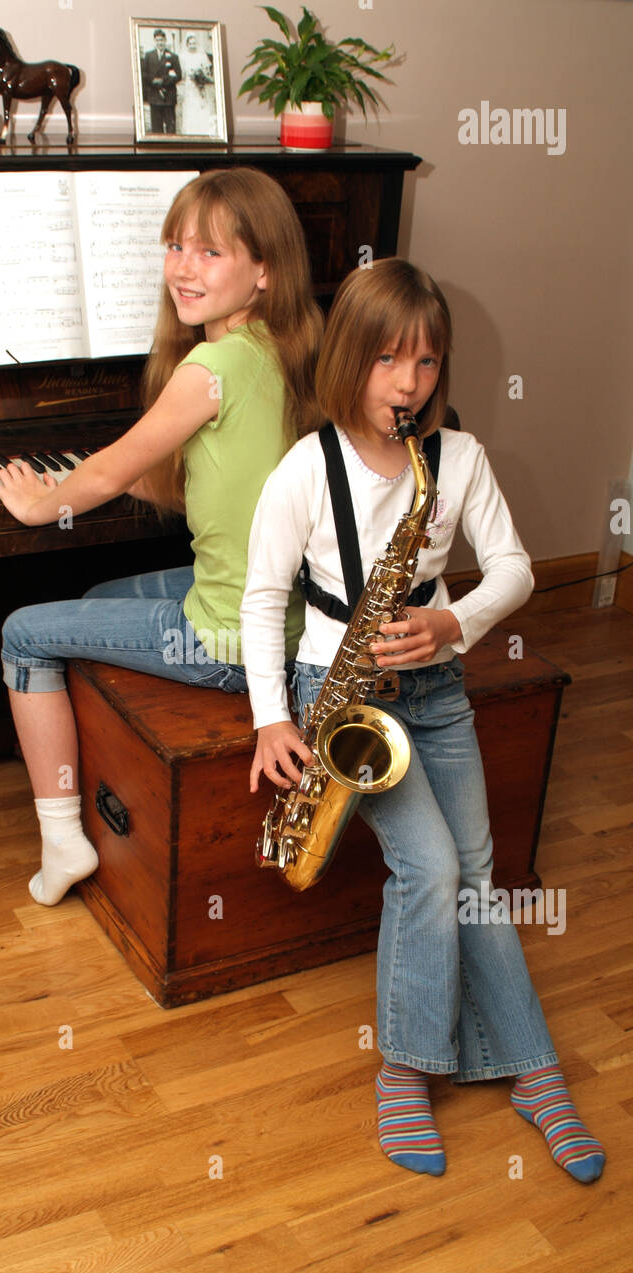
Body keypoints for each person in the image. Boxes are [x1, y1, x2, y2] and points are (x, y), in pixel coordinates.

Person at [240, 257, 605, 1185]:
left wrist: (455, 622)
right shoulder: (303, 469)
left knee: (478, 871)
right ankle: (405, 1068)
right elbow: (261, 599)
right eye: (387, 361)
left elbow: (517, 567)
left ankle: (531, 1068)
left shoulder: (460, 457)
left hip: (435, 692)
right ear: (348, 359)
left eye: (428, 364)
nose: (407, 385)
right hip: (343, 693)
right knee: (433, 866)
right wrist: (269, 721)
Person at [0, 167, 323, 908]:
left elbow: (112, 474)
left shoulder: (208, 367)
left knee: (24, 633)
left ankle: (63, 839)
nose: (183, 266)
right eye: (176, 245)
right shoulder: (281, 346)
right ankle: (106, 782)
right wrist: (88, 471)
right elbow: (188, 478)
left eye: (209, 252)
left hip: (227, 643)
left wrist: (43, 504)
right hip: (283, 622)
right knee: (100, 599)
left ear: (263, 270)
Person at [140, 29, 182, 135]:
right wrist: (154, 82)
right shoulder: (149, 56)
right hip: (154, 96)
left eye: (162, 40)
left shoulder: (173, 57)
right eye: (158, 40)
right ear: (154, 41)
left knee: (170, 128)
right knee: (156, 128)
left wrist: (162, 82)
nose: (160, 43)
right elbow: (144, 74)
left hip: (168, 97)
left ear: (165, 40)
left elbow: (178, 75)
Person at [178, 34, 215, 137]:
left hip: (200, 87)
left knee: (201, 106)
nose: (192, 45)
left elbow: (206, 71)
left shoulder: (201, 56)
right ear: (187, 45)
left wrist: (201, 78)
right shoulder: (183, 56)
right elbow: (183, 74)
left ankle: (203, 130)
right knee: (191, 107)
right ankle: (191, 131)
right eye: (190, 43)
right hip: (189, 87)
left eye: (194, 43)